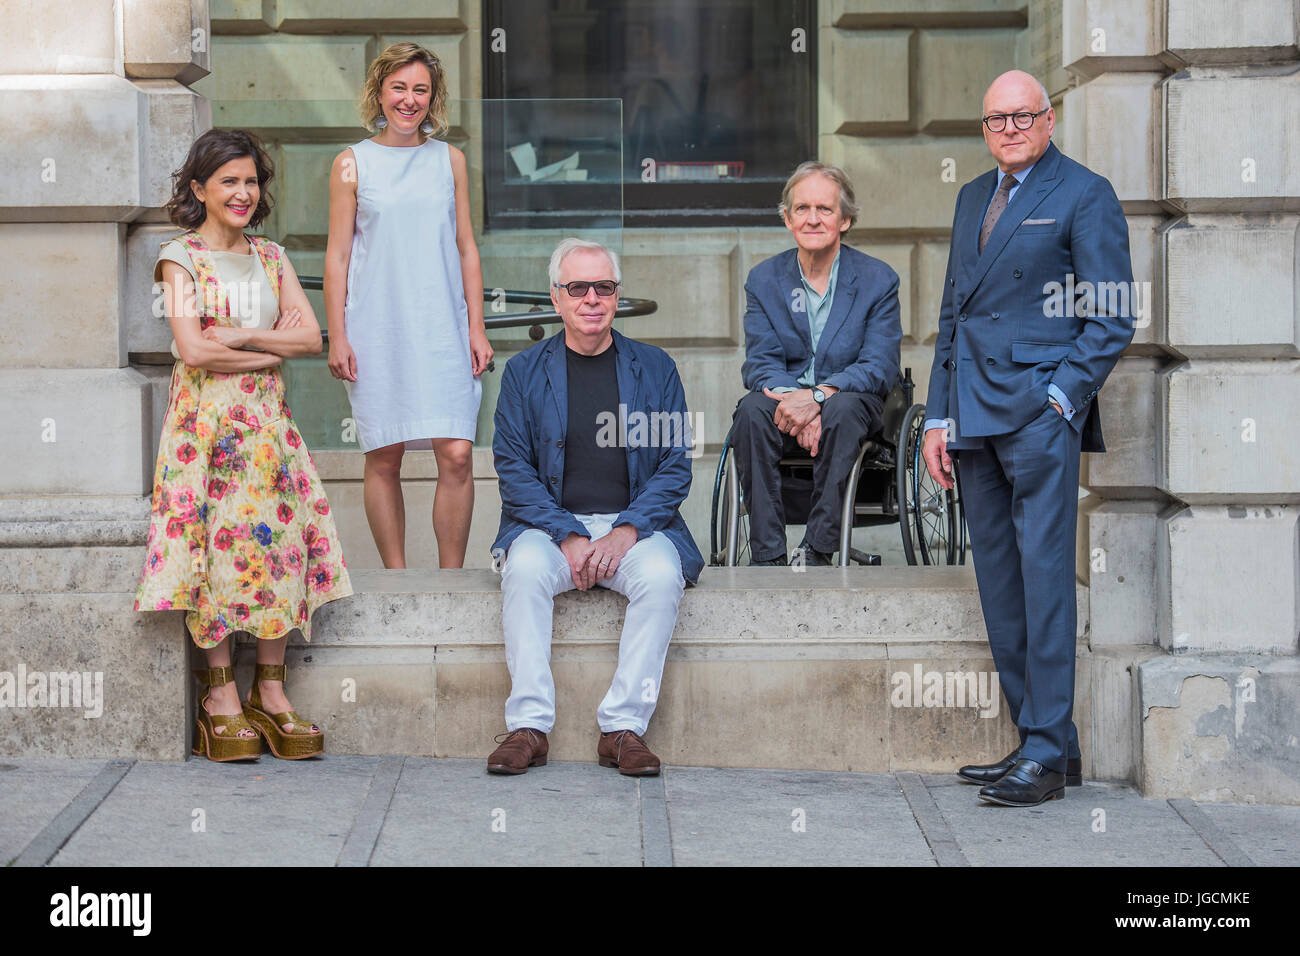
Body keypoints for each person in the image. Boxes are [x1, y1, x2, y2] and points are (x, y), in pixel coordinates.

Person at [923, 70, 1135, 806]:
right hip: (972, 419)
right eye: (995, 120)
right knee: (1001, 588)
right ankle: (1047, 745)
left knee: (1044, 585)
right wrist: (936, 417)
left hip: (1037, 418)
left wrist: (1060, 398)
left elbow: (1111, 315)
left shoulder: (1085, 193)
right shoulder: (971, 197)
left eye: (1022, 116)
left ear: (1049, 120)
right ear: (984, 130)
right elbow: (953, 314)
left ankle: (1044, 756)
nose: (1008, 129)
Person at [136, 128, 352, 762]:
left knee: (278, 548)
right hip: (204, 433)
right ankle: (220, 695)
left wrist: (234, 335)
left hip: (267, 431)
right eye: (227, 181)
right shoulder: (178, 258)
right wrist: (264, 343)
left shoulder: (272, 254)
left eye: (251, 181)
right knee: (216, 554)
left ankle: (272, 692)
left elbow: (310, 339)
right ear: (199, 188)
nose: (242, 192)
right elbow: (193, 349)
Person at [486, 238, 703, 777]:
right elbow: (513, 470)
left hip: (634, 529)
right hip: (549, 528)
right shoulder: (523, 373)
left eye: (602, 287)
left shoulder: (655, 369)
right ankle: (529, 727)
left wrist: (626, 531)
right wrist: (568, 534)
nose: (590, 298)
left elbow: (677, 464)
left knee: (660, 574)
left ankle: (623, 729)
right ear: (556, 298)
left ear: (617, 297)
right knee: (527, 568)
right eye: (577, 287)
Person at [324, 41, 492, 569]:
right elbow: (337, 256)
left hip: (443, 325)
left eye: (421, 89)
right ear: (378, 92)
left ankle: (450, 581)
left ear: (433, 98)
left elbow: (466, 246)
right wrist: (339, 334)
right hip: (376, 327)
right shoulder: (352, 163)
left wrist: (478, 328)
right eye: (399, 87)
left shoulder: (451, 160)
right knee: (384, 454)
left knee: (458, 454)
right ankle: (396, 578)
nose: (409, 99)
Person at [732, 162, 902, 566]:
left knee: (842, 409)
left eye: (824, 209)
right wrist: (802, 404)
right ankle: (768, 555)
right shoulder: (764, 280)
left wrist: (821, 397)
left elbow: (879, 364)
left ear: (844, 219)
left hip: (850, 403)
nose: (812, 219)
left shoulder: (878, 280)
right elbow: (760, 362)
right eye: (802, 208)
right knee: (751, 412)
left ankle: (819, 547)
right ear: (787, 218)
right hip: (786, 403)